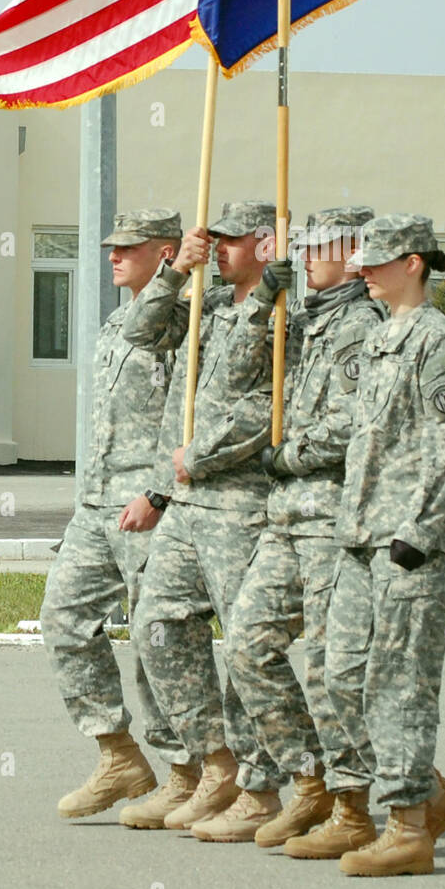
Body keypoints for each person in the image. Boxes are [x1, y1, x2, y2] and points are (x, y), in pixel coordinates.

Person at [321, 213, 445, 876]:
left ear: (414, 262)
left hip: (412, 546)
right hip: (363, 539)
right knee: (341, 674)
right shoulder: (384, 340)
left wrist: (415, 537)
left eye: (376, 260)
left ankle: (409, 828)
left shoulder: (439, 344)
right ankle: (431, 793)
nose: (361, 269)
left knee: (400, 688)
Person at [118, 201, 286, 839]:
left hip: (240, 501)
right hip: (186, 503)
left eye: (231, 239)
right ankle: (212, 761)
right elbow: (141, 333)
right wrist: (174, 274)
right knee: (156, 623)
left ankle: (259, 783)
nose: (217, 248)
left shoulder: (282, 311)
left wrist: (202, 456)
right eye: (212, 239)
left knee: (246, 645)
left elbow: (271, 405)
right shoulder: (210, 306)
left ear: (267, 244)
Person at [223, 207, 384, 851]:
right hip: (284, 515)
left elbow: (352, 425)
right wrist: (267, 296)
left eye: (322, 245)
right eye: (306, 244)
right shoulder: (303, 315)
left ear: (354, 252)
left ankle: (355, 803)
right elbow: (237, 370)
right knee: (245, 645)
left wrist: (288, 452)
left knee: (325, 664)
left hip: (327, 517)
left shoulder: (361, 325)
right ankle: (308, 777)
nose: (310, 255)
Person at [39, 209, 190, 820]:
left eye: (129, 246)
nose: (112, 256)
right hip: (97, 503)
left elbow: (184, 412)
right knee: (64, 617)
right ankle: (117, 752)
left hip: (146, 507)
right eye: (112, 246)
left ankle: (187, 768)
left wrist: (158, 493)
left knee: (157, 637)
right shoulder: (113, 321)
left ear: (166, 253)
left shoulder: (180, 321)